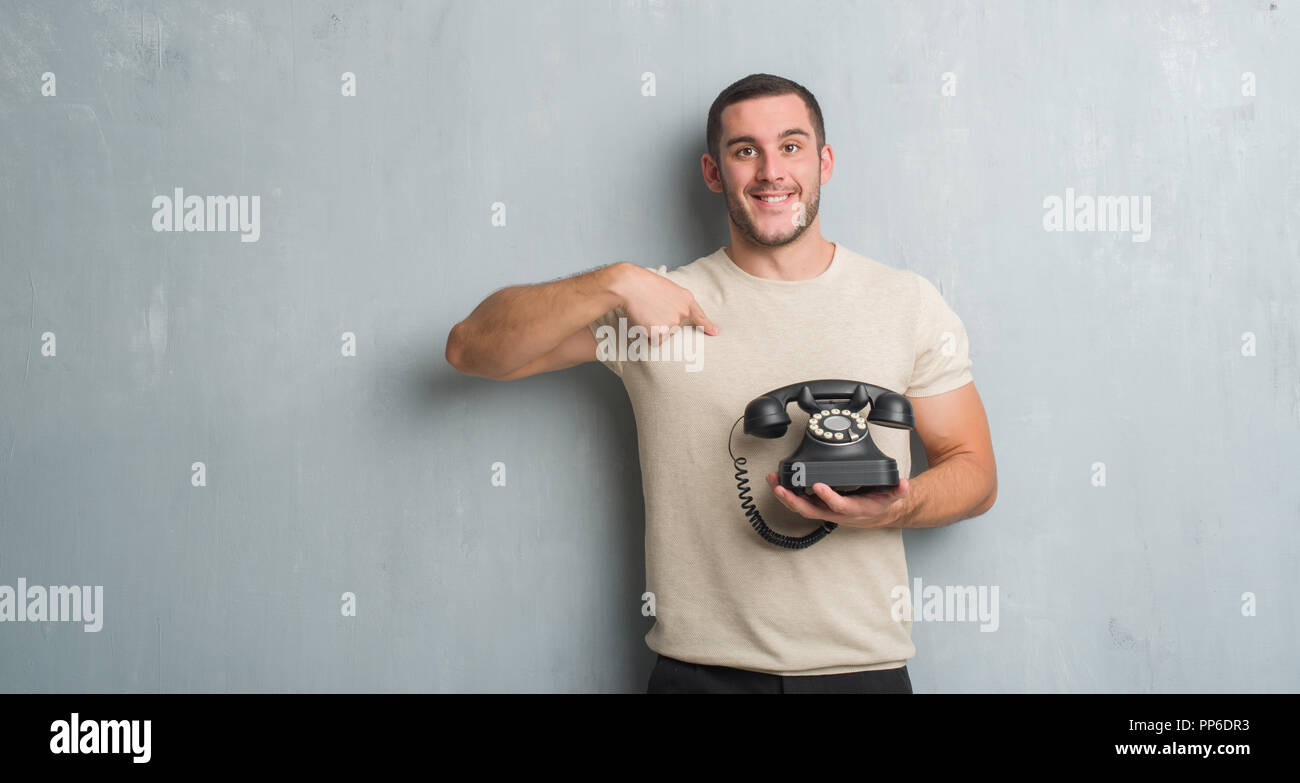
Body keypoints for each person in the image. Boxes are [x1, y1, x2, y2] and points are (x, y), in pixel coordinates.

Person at [445, 73, 997, 694]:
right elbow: (470, 350)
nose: (770, 172)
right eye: (745, 151)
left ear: (825, 162)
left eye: (791, 147)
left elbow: (975, 473)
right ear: (714, 172)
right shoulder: (656, 304)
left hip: (862, 671)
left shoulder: (907, 303)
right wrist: (613, 282)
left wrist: (900, 505)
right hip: (701, 675)